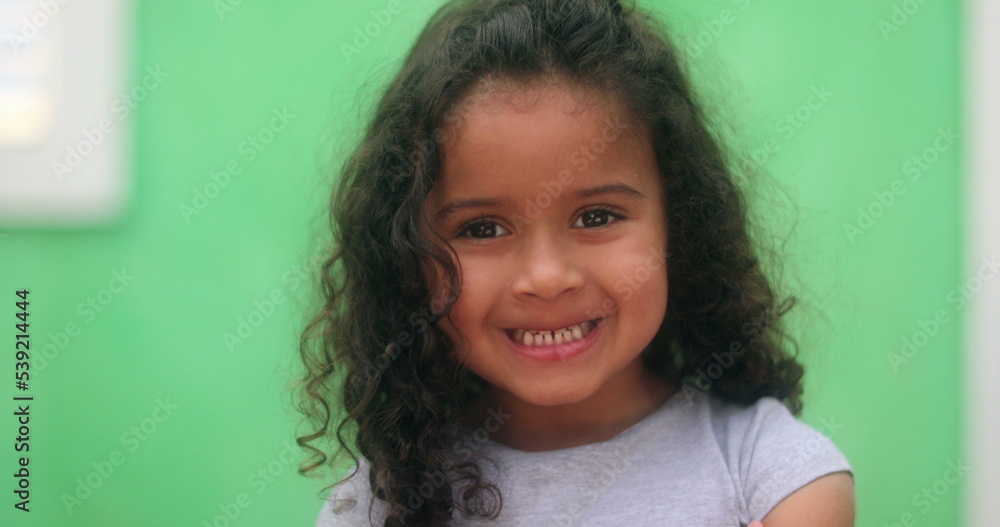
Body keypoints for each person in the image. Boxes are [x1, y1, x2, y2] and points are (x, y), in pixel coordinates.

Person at [296, 0, 855, 525]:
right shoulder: (382, 502)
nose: (546, 277)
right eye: (482, 228)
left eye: (596, 217)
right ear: (408, 261)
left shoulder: (776, 476)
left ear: (679, 227)